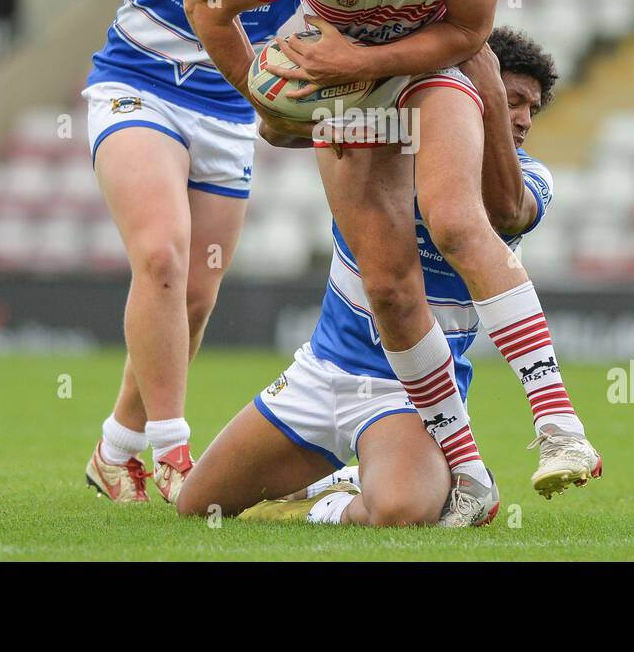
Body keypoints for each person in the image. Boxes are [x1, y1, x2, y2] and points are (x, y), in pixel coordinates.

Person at [185, 0, 599, 526]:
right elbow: (206, 1)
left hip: (427, 75)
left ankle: (559, 425)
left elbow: (469, 36)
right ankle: (467, 468)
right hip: (342, 100)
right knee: (387, 285)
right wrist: (262, 95)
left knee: (454, 219)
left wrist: (355, 63)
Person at [22, 0, 317, 504]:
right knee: (160, 255)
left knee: (190, 298)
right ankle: (173, 448)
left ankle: (114, 446)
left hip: (230, 106)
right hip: (139, 87)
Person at [175, 28, 596, 525]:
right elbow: (276, 130)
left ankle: (328, 504)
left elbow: (507, 212)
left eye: (534, 108)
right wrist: (309, 87)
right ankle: (341, 480)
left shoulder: (531, 177)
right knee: (198, 506)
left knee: (399, 510)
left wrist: (489, 89)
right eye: (515, 99)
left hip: (411, 394)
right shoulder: (388, 136)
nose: (525, 119)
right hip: (321, 371)